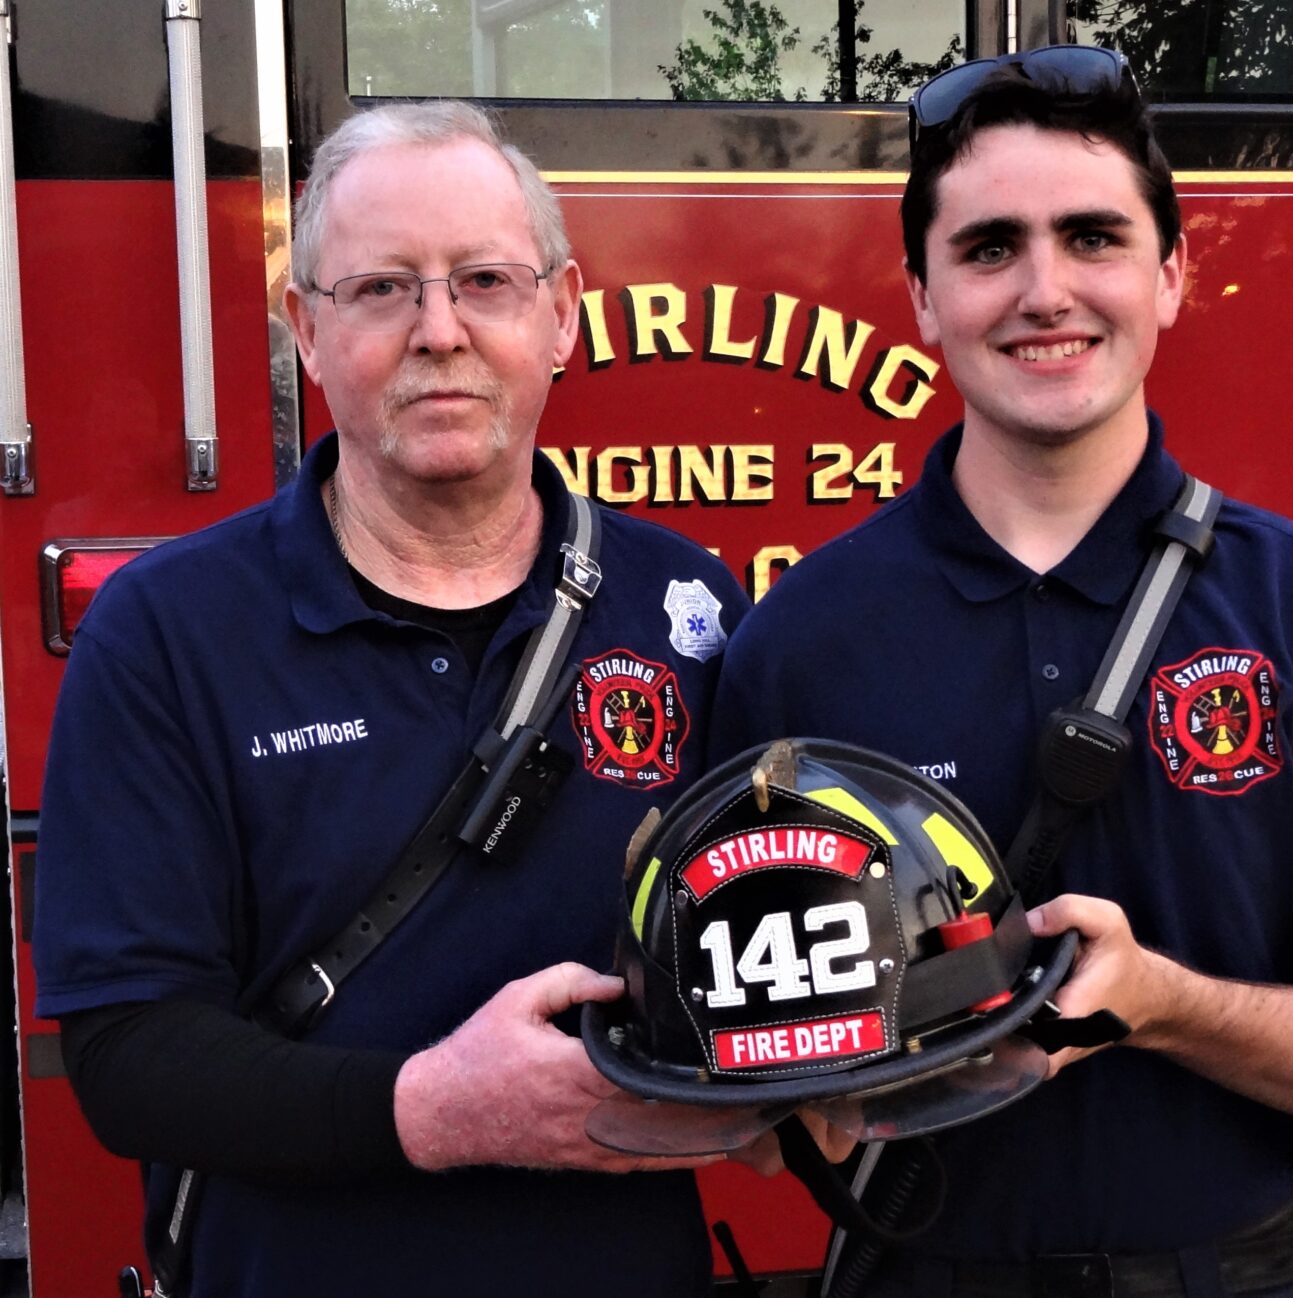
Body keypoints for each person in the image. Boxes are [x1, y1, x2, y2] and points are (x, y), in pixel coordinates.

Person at [708, 47, 1293, 1298]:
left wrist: (1163, 1001)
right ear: (921, 295)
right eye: (991, 247)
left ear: (1171, 275)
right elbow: (770, 1120)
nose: (1046, 290)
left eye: (1094, 238)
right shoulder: (801, 639)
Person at [33, 102, 755, 1296]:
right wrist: (435, 1109)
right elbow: (129, 1053)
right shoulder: (165, 634)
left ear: (561, 311)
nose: (440, 331)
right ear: (305, 329)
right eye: (381, 290)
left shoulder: (687, 604)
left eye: (484, 279)